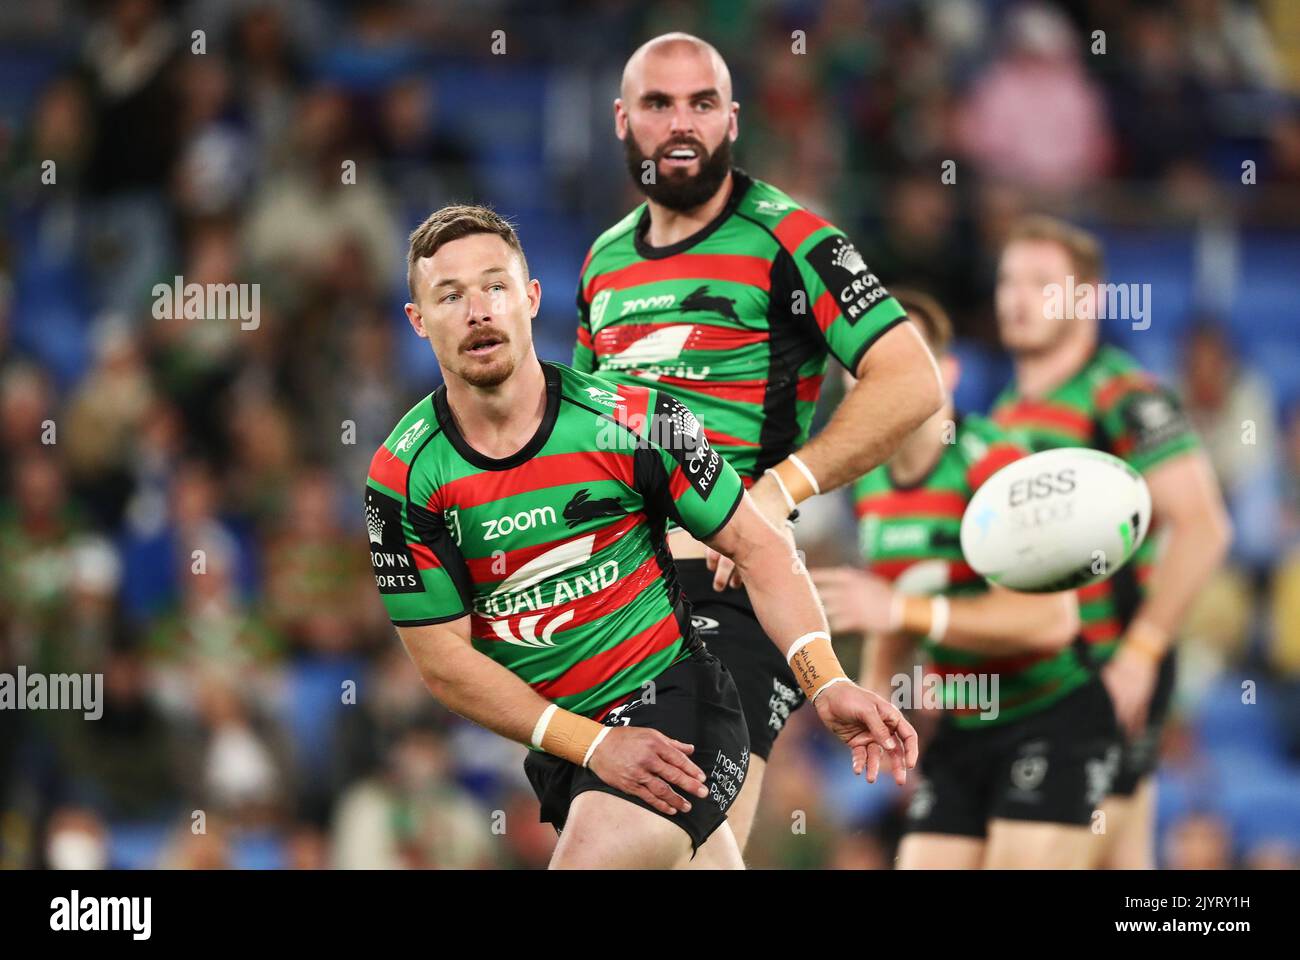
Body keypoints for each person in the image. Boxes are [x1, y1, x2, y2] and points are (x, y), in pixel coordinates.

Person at [365, 204, 917, 869]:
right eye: (449, 296)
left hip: (678, 710)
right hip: (570, 753)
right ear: (417, 320)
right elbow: (442, 661)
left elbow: (760, 546)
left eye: (496, 286)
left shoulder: (637, 419)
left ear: (532, 299)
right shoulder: (402, 478)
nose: (478, 310)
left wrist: (826, 682)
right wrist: (589, 745)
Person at [573, 32, 942, 849]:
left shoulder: (794, 240)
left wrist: (776, 492)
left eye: (702, 104)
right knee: (680, 851)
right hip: (612, 596)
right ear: (621, 120)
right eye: (659, 104)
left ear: (732, 120)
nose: (682, 123)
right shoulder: (601, 262)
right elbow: (581, 432)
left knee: (668, 832)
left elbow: (913, 381)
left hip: (729, 586)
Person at [812, 289, 1116, 869]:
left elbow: (1052, 620)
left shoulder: (995, 468)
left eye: (901, 361)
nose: (878, 380)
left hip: (1049, 715)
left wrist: (901, 612)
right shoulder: (871, 483)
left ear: (943, 374)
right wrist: (878, 702)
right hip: (963, 725)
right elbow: (894, 608)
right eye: (863, 367)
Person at [990, 215, 1232, 868]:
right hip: (1033, 687)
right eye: (1008, 279)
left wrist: (1141, 654)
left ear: (1088, 299)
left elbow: (1205, 528)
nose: (1016, 296)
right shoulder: (1002, 416)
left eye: (1041, 282)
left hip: (1103, 677)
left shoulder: (1122, 396)